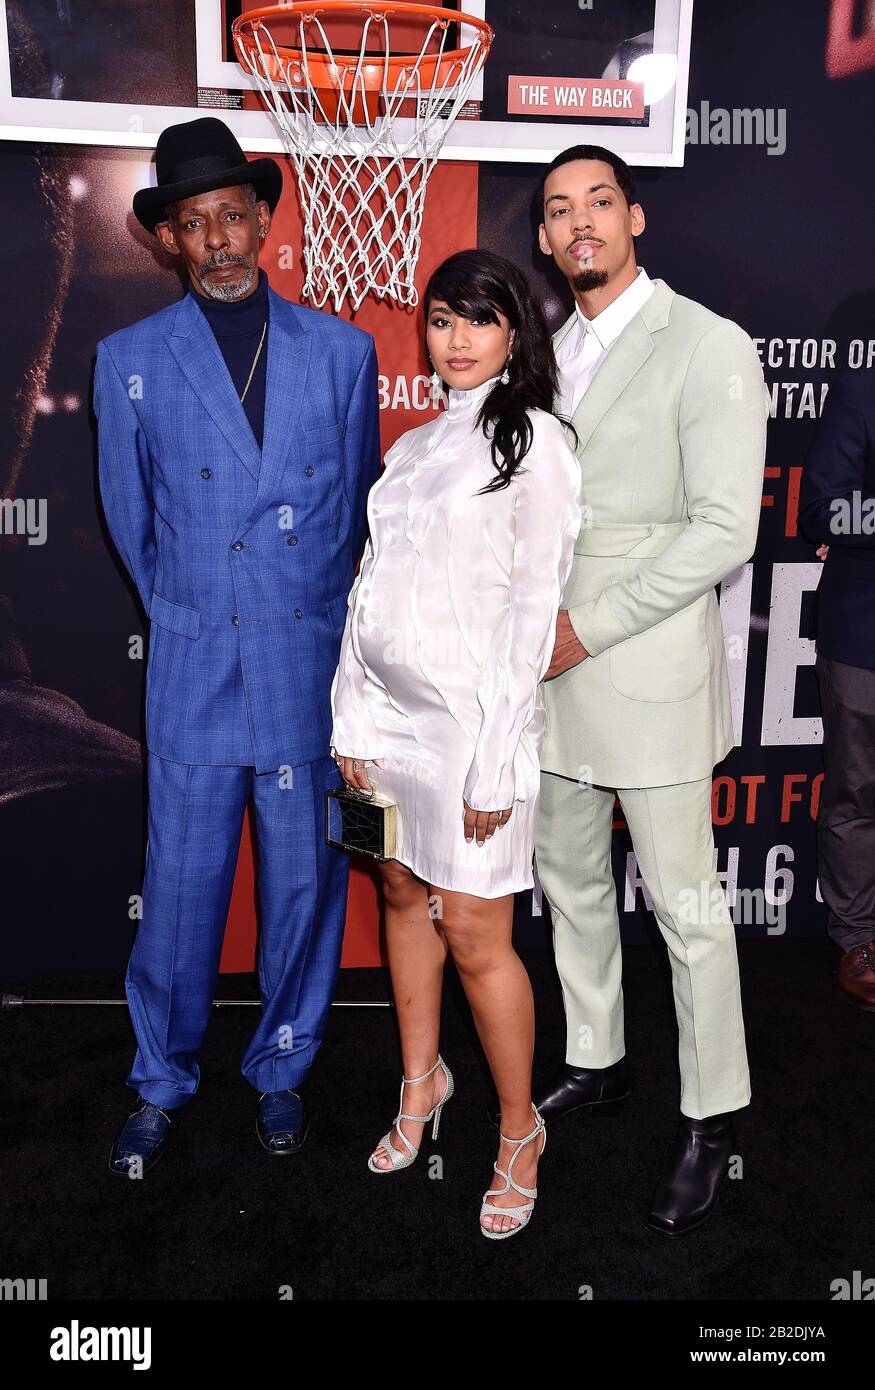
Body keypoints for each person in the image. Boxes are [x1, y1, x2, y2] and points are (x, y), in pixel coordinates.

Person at [94, 117, 381, 1174]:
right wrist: (198, 604)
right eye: (191, 223)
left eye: (230, 216)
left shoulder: (343, 354)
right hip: (194, 664)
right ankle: (161, 1077)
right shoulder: (125, 362)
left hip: (307, 666)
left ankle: (282, 1066)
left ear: (263, 220)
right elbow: (134, 528)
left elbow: (354, 516)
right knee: (178, 890)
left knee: (306, 883)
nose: (215, 239)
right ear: (168, 239)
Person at [515, 144, 767, 1235]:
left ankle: (713, 1117)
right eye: (558, 209)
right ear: (541, 237)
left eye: (599, 203)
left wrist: (586, 626)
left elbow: (724, 528)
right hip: (550, 675)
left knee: (687, 911)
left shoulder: (705, 343)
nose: (580, 223)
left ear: (633, 221)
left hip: (641, 666)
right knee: (568, 882)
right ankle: (597, 1056)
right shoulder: (544, 352)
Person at [329, 249, 581, 1238]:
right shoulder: (409, 450)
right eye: (441, 320)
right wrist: (348, 712)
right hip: (380, 729)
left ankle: (518, 1130)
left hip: (473, 738)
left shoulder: (540, 446)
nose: (458, 339)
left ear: (513, 331)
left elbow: (530, 613)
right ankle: (420, 1079)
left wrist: (494, 753)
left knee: (477, 934)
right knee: (395, 890)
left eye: (478, 319)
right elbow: (367, 590)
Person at [798, 368, 875, 1011]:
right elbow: (823, 508)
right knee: (857, 791)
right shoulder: (865, 391)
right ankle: (860, 937)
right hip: (866, 641)